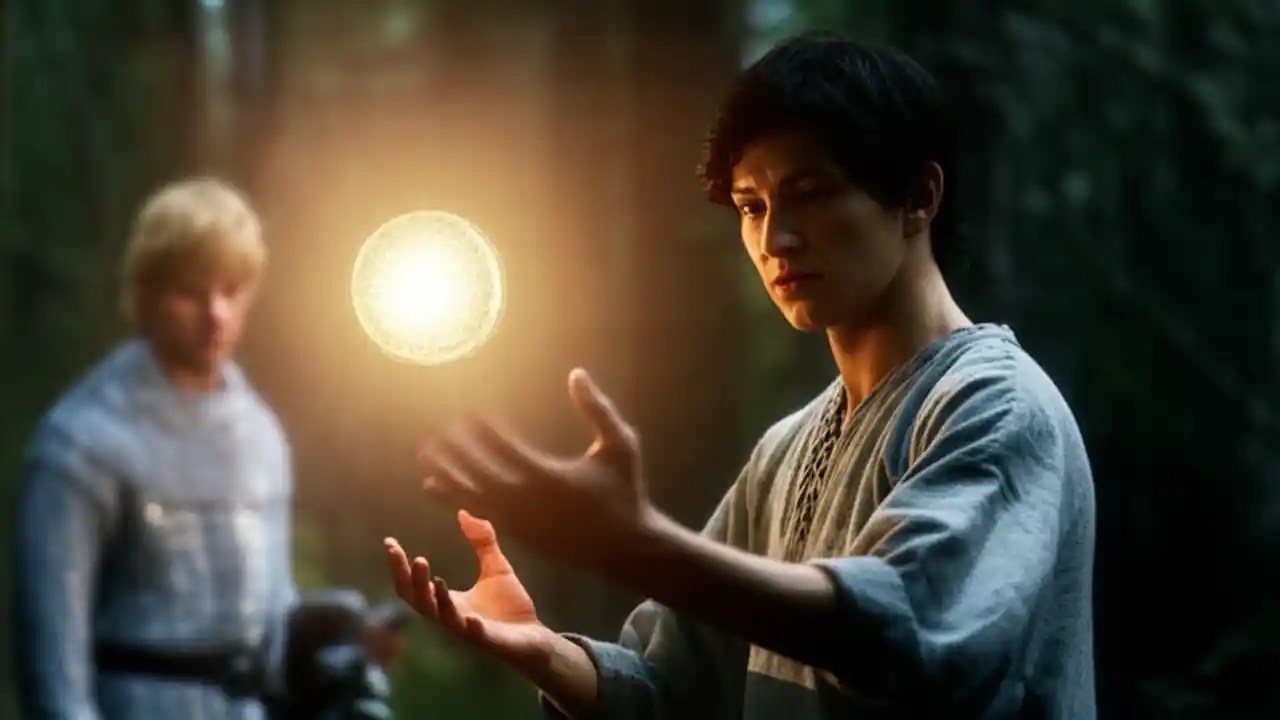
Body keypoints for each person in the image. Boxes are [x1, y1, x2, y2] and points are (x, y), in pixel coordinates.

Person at [386, 32, 1096, 719]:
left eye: (811, 192)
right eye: (752, 206)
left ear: (919, 195)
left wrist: (639, 544)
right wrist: (541, 651)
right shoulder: (786, 450)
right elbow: (678, 687)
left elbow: (900, 631)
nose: (775, 238)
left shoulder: (997, 406)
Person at [12, 178, 397, 719]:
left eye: (231, 288)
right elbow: (53, 672)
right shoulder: (82, 443)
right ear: (143, 294)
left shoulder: (257, 432)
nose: (215, 314)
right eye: (189, 292)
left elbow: (269, 618)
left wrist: (330, 646)